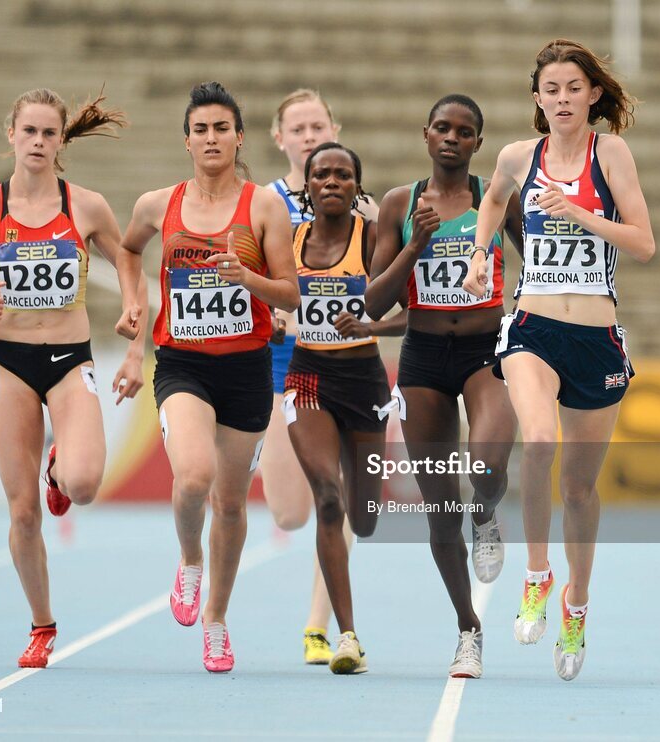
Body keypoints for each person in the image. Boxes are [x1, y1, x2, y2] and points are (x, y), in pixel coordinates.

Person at [462, 39, 655, 681]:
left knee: (578, 488)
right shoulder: (519, 156)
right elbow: (491, 199)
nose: (564, 98)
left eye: (575, 87)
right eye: (552, 89)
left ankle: (577, 603)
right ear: (538, 98)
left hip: (595, 338)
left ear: (593, 94)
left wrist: (578, 212)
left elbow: (645, 243)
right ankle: (537, 575)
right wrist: (478, 253)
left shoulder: (612, 154)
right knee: (537, 440)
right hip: (533, 327)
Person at [0, 88, 145, 668]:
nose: (37, 142)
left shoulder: (85, 206)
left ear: (62, 141)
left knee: (82, 485)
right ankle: (41, 625)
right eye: (28, 131)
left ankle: (58, 469)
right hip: (9, 364)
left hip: (69, 360)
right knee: (23, 513)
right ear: (11, 134)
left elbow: (128, 258)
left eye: (48, 133)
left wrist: (132, 302)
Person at [115, 82, 299, 673]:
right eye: (201, 129)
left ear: (239, 137)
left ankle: (217, 622)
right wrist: (135, 309)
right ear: (187, 139)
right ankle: (189, 561)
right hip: (183, 362)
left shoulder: (263, 207)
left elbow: (291, 291)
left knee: (230, 502)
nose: (212, 138)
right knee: (193, 476)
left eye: (222, 128)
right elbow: (127, 251)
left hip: (246, 367)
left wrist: (246, 277)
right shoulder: (157, 204)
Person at [366, 94, 523, 678]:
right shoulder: (400, 203)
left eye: (464, 131)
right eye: (442, 128)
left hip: (486, 351)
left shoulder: (495, 198)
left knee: (485, 466)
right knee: (438, 513)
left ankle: (487, 513)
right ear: (425, 134)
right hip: (424, 356)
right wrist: (414, 245)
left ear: (478, 142)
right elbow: (374, 300)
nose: (452, 137)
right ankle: (468, 629)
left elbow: (541, 266)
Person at [263, 89, 381, 664]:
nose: (309, 134)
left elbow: (387, 284)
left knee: (339, 502)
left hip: (350, 371)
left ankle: (319, 625)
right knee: (290, 511)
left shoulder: (368, 211)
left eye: (318, 125)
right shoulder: (262, 205)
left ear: (334, 128)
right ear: (278, 137)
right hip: (282, 368)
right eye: (298, 127)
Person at [284, 141, 402, 673]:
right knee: (327, 499)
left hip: (365, 383)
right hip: (307, 377)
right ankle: (347, 636)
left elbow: (417, 315)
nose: (331, 182)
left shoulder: (374, 238)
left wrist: (369, 326)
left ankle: (347, 623)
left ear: (358, 187)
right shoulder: (287, 242)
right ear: (306, 187)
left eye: (342, 175)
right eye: (321, 175)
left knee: (365, 517)